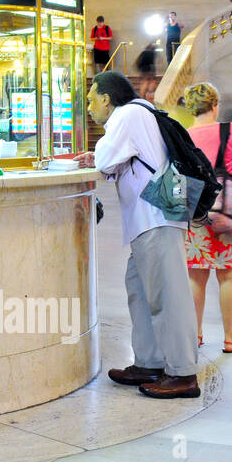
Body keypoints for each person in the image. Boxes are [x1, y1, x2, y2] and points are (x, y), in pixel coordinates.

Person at [74, 71, 198, 397]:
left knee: (167, 297)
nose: (88, 107)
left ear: (106, 98)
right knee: (141, 291)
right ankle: (149, 362)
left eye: (91, 100)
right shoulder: (139, 113)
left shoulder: (127, 113)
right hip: (149, 220)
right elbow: (115, 163)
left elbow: (105, 158)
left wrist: (96, 157)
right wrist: (98, 159)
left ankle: (183, 373)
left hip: (156, 217)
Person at [181, 83, 232, 354]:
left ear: (191, 108)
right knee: (230, 276)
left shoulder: (186, 136)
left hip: (197, 211)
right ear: (215, 105)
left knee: (195, 277)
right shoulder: (230, 130)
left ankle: (195, 336)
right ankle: (231, 339)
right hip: (229, 211)